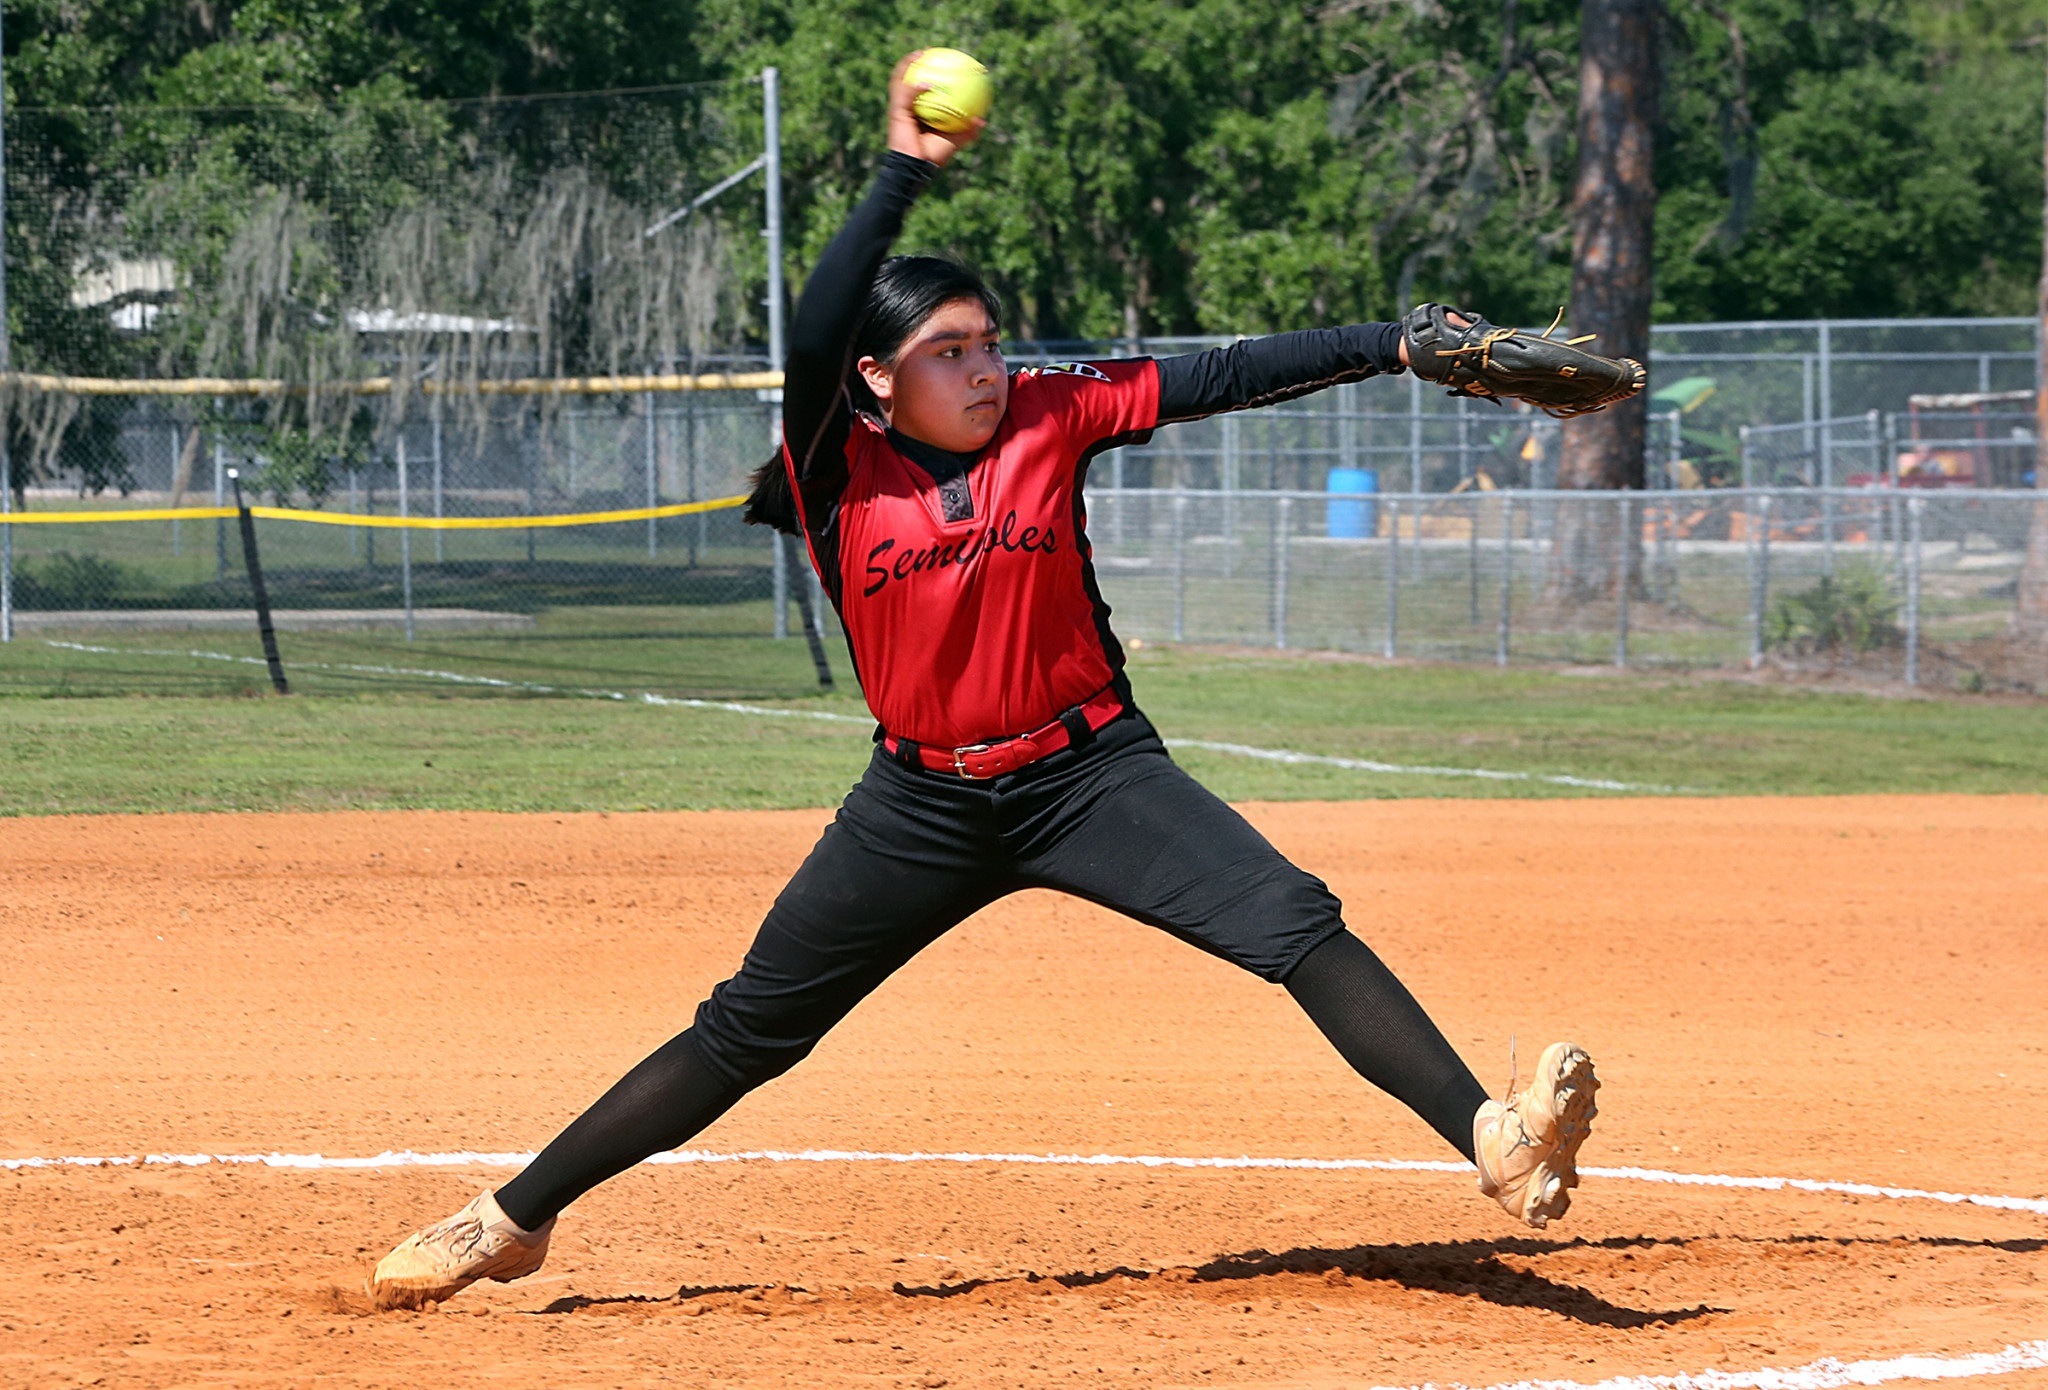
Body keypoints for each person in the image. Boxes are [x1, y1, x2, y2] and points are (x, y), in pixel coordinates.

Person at [367, 54, 1599, 1312]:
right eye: (947, 350)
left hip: (1091, 774)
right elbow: (812, 325)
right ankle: (508, 1221)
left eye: (989, 343)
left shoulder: (1048, 417)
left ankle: (1492, 1140)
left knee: (1295, 925)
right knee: (745, 1031)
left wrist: (1392, 346)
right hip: (919, 807)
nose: (984, 369)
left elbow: (1225, 372)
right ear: (875, 377)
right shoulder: (832, 466)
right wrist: (905, 163)